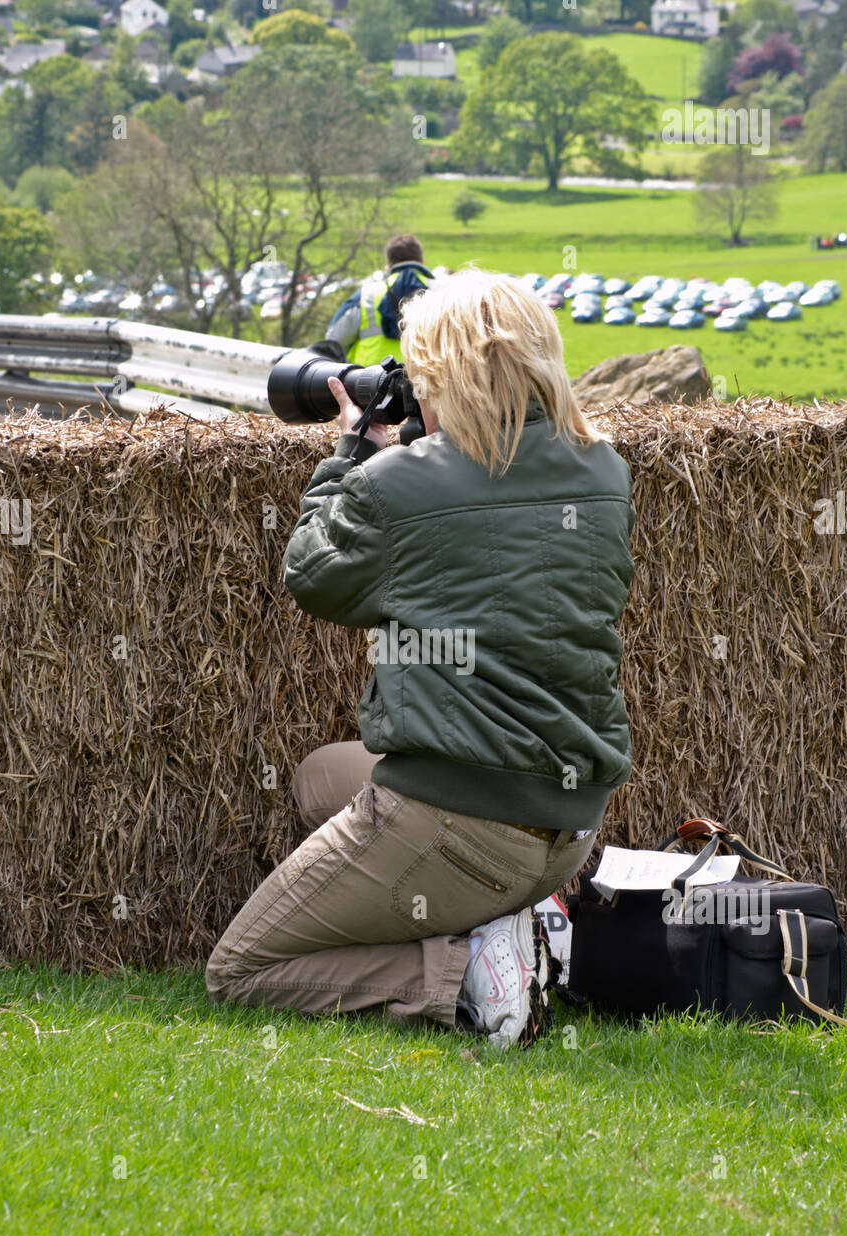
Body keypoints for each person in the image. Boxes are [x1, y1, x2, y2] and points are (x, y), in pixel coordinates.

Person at [206, 268, 635, 1050]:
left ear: (442, 372)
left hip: (459, 823)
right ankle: (528, 917)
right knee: (320, 777)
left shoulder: (400, 482)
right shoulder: (603, 470)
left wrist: (348, 454)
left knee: (239, 968)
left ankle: (467, 971)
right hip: (568, 825)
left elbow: (315, 578)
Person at [325, 233, 435, 365]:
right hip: (425, 379)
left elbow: (333, 341)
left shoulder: (366, 295)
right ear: (421, 262)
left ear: (388, 267)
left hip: (368, 380)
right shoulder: (441, 292)